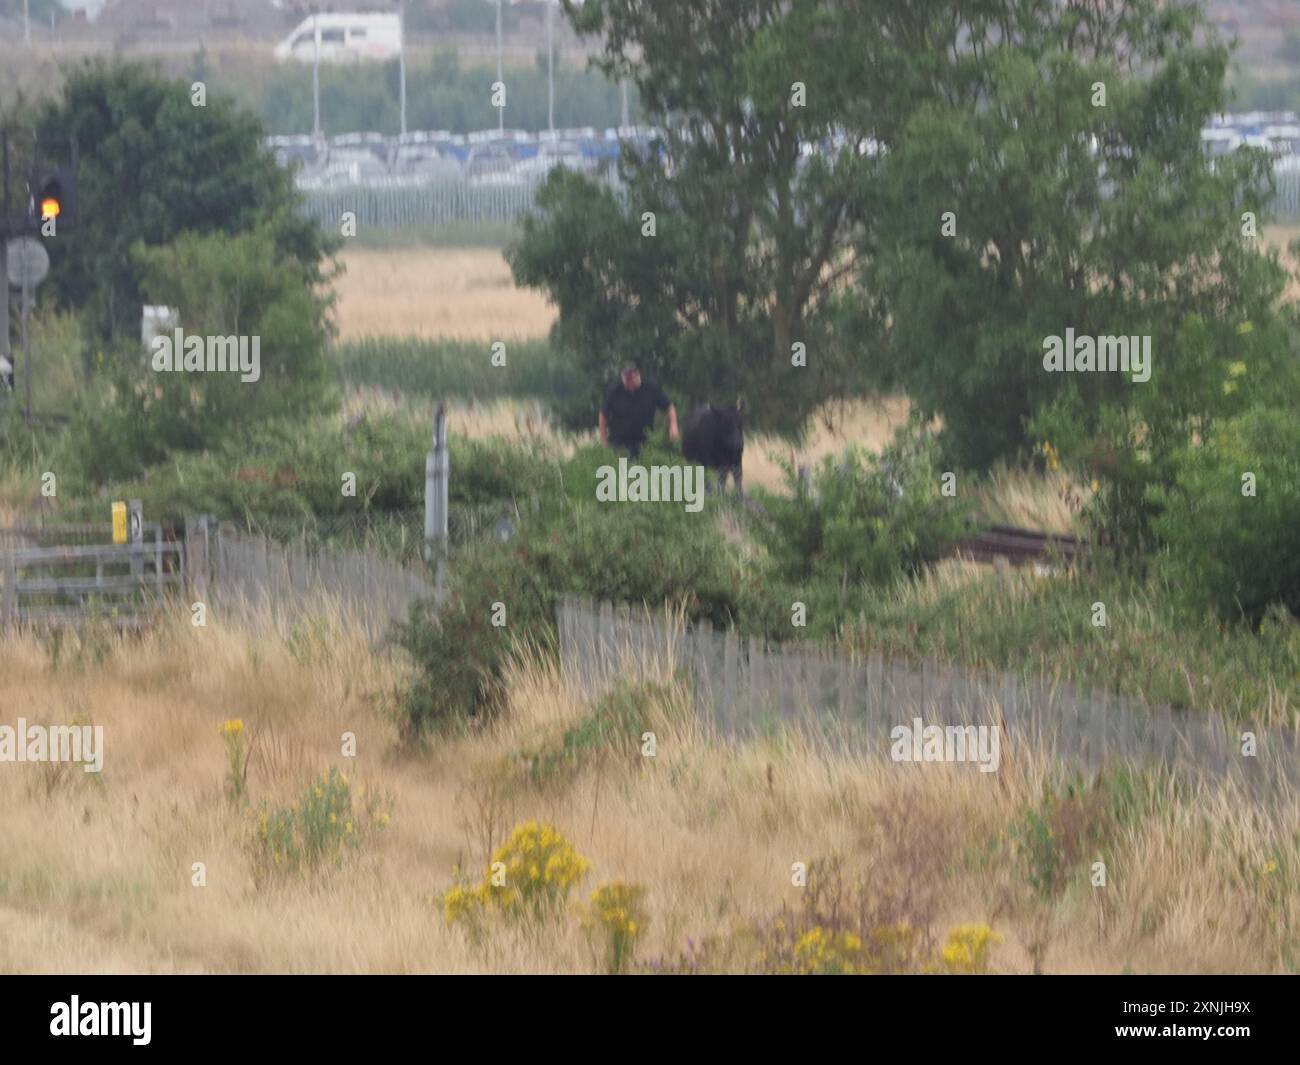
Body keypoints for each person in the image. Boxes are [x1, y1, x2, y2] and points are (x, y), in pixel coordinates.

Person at [598, 362, 678, 457]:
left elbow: (669, 407)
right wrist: (603, 441)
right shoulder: (615, 391)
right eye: (626, 380)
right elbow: (603, 414)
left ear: (638, 375)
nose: (629, 382)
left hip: (645, 443)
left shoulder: (651, 388)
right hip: (619, 444)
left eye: (631, 379)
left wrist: (673, 426)